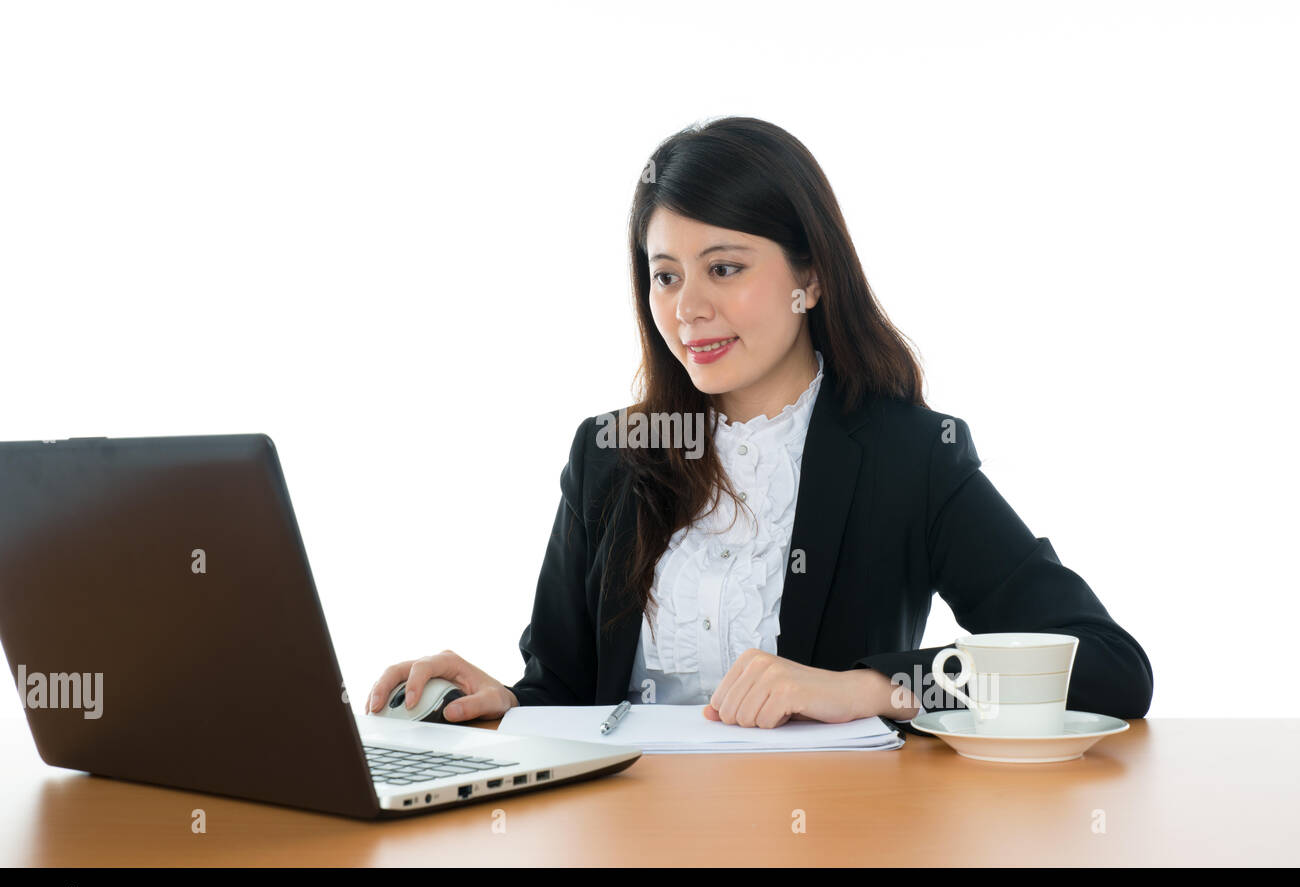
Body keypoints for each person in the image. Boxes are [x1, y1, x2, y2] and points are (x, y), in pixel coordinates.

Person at [365, 116, 1154, 732]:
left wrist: (866, 687)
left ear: (809, 275)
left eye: (725, 267)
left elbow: (1111, 666)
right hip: (628, 839)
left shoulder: (907, 455)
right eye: (665, 275)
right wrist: (498, 699)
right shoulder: (611, 455)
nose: (687, 307)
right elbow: (566, 693)